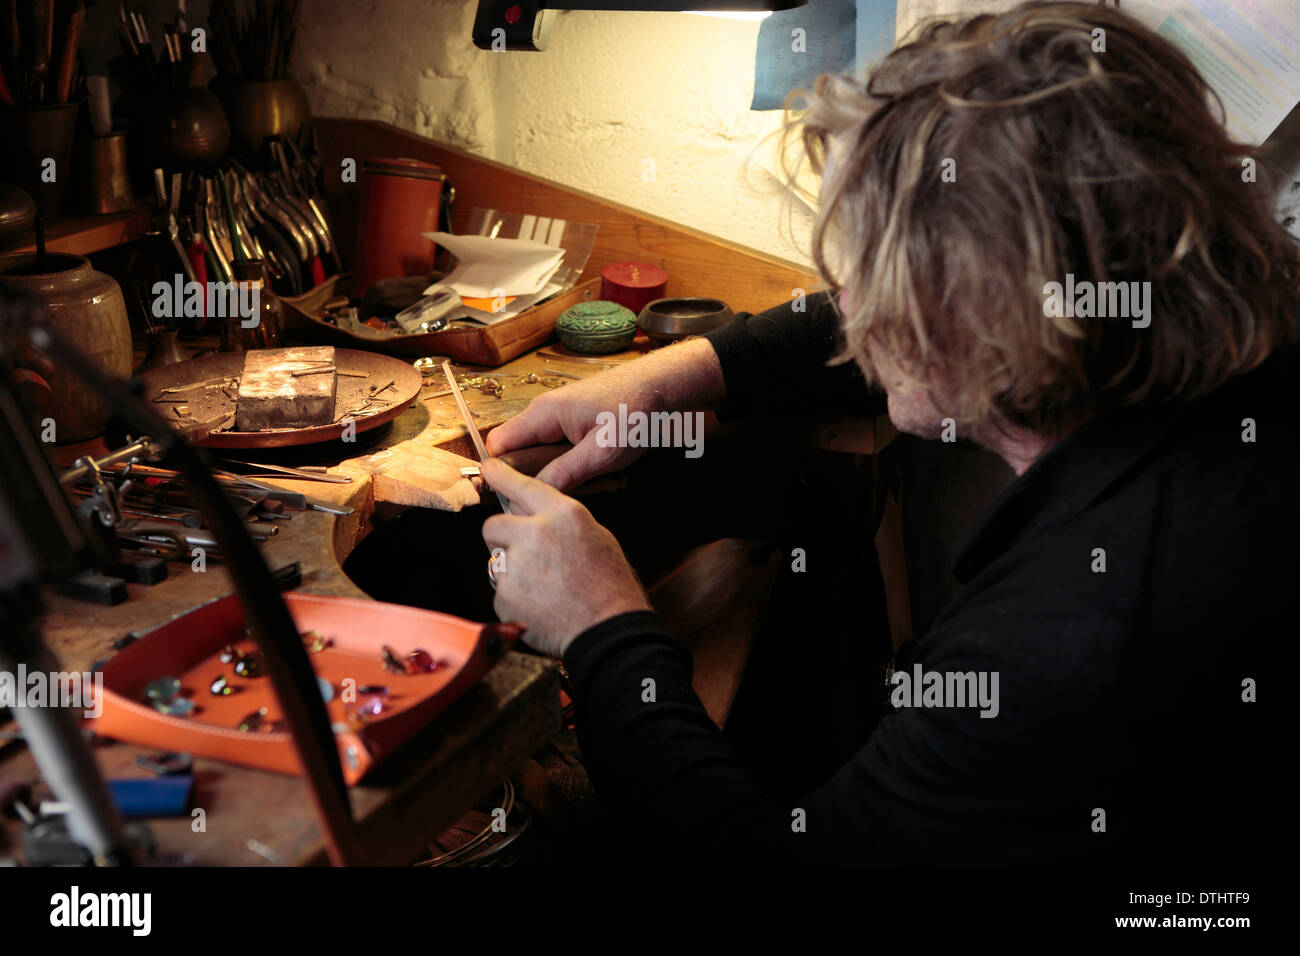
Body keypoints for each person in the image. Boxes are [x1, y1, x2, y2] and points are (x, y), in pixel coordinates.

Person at [479, 1, 1297, 864]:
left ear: (982, 326)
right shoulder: (1230, 345)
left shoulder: (1065, 639)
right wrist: (675, 375)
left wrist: (603, 627)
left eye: (867, 282)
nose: (849, 315)